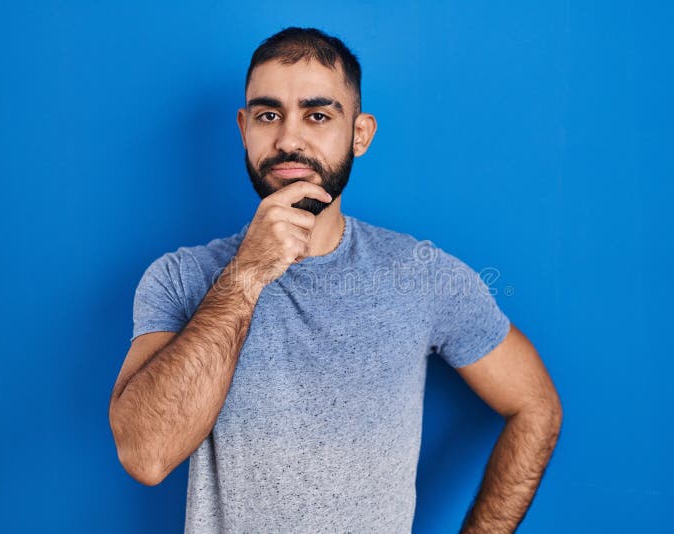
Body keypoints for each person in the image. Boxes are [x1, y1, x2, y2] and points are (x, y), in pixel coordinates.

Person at [108, 27, 562, 534]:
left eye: (318, 115)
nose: (288, 140)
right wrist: (248, 274)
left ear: (360, 134)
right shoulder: (180, 277)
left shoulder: (423, 275)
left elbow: (535, 405)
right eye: (268, 115)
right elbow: (146, 456)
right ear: (244, 128)